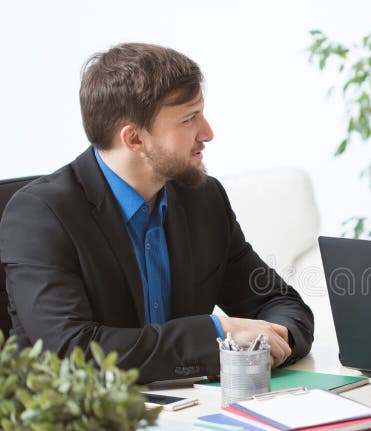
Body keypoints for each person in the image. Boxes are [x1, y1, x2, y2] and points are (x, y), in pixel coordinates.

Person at [0, 43, 314, 383]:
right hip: (85, 424)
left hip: (193, 412)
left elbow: (280, 303)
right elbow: (72, 350)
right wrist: (216, 334)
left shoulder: (204, 199)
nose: (207, 133)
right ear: (134, 139)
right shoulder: (40, 216)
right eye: (189, 118)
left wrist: (268, 342)